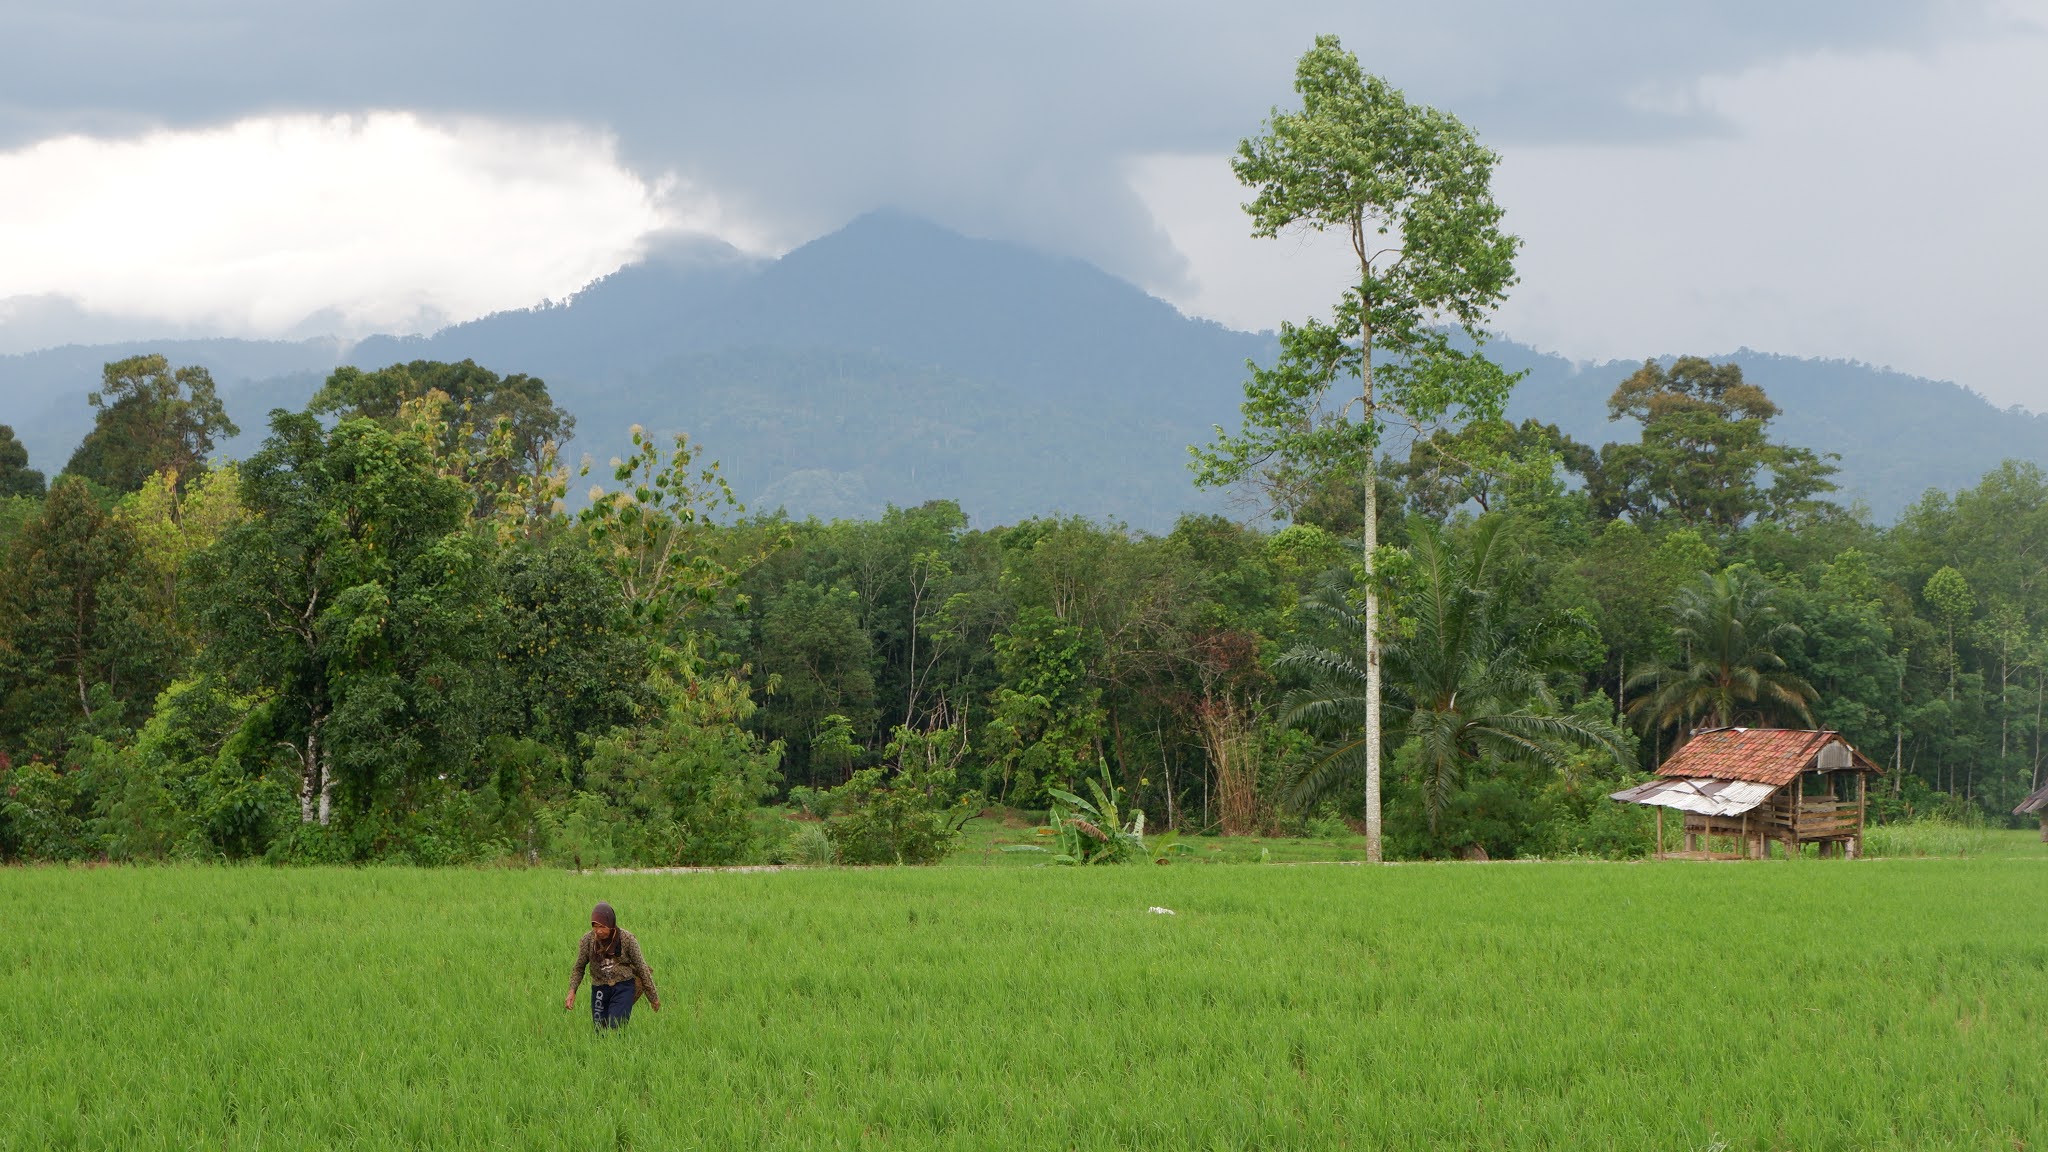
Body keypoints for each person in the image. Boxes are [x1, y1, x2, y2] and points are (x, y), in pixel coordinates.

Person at [564, 901, 661, 1028]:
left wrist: (653, 997)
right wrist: (572, 991)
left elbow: (642, 967)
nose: (598, 931)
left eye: (602, 926)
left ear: (611, 924)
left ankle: (619, 1046)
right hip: (600, 987)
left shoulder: (627, 939)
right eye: (595, 926)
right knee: (600, 1029)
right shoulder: (587, 941)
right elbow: (579, 967)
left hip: (623, 986)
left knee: (616, 1026)